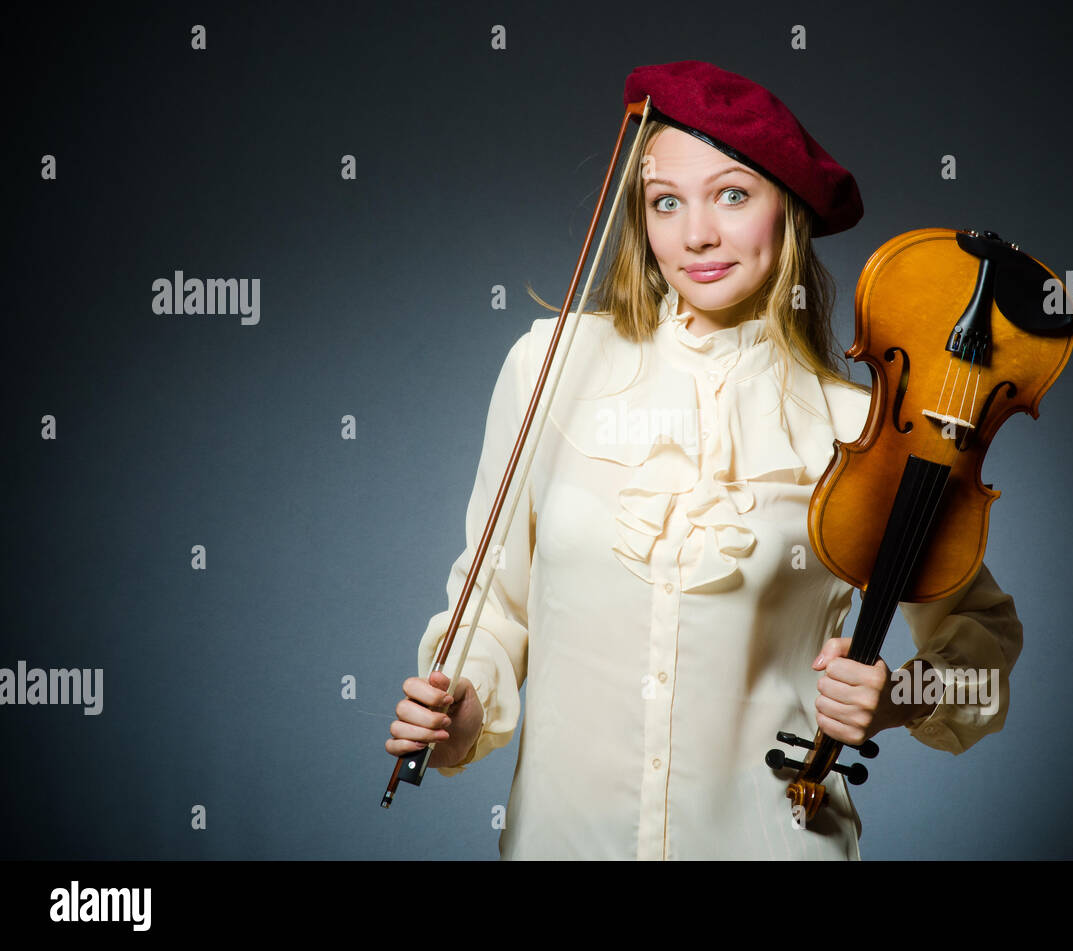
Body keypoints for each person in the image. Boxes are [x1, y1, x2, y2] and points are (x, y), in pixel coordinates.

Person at [386, 60, 1023, 860]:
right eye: (665, 201)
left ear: (785, 212)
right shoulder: (545, 365)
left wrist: (901, 695)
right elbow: (493, 606)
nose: (696, 235)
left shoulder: (866, 427)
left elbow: (983, 664)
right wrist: (462, 712)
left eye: (732, 194)